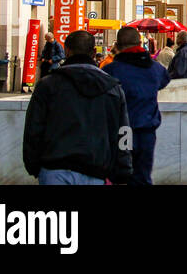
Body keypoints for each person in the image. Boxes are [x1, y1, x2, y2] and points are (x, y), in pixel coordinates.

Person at [22, 30, 131, 185]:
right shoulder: (112, 88)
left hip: (54, 168)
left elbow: (34, 128)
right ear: (94, 52)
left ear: (66, 50)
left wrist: (33, 164)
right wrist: (123, 170)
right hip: (96, 169)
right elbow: (123, 131)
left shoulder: (48, 85)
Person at [102, 25, 170, 185]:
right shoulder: (155, 69)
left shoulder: (111, 70)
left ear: (117, 46)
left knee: (118, 175)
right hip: (147, 129)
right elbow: (164, 81)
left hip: (122, 131)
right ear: (140, 44)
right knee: (143, 175)